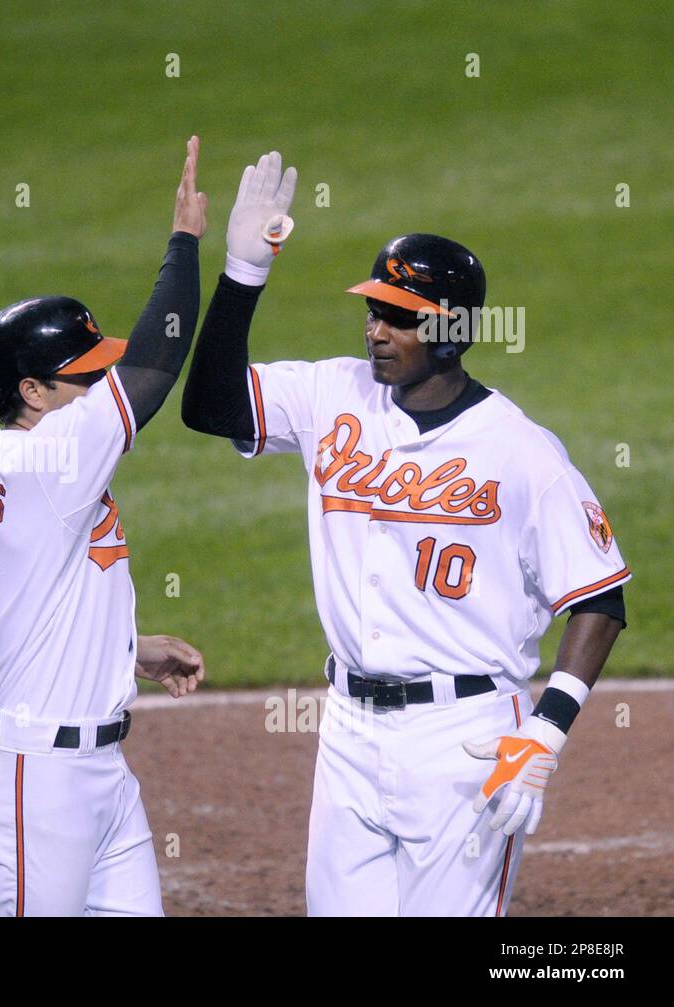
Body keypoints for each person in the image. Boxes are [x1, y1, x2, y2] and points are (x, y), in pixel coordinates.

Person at [181, 152, 630, 916]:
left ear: (451, 329)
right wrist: (241, 275)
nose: (376, 330)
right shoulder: (333, 395)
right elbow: (211, 406)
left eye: (398, 317)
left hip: (467, 740)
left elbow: (600, 597)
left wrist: (548, 732)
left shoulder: (520, 450)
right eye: (373, 311)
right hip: (348, 732)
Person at [0, 137, 211, 916]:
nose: (101, 387)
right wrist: (187, 244)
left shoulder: (35, 460)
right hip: (35, 780)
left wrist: (129, 650)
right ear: (31, 389)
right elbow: (159, 365)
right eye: (85, 376)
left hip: (95, 774)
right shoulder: (46, 458)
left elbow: (39, 607)